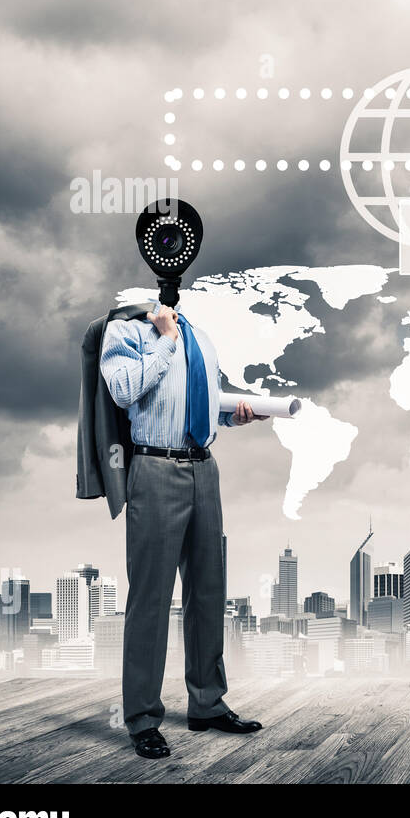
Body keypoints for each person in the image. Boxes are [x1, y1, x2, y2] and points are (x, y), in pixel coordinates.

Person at [99, 300, 267, 760]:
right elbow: (123, 389)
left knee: (209, 592)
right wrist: (166, 338)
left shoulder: (203, 338)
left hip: (204, 470)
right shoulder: (127, 332)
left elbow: (203, 405)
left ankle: (207, 704)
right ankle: (142, 720)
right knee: (151, 597)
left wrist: (236, 414)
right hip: (154, 467)